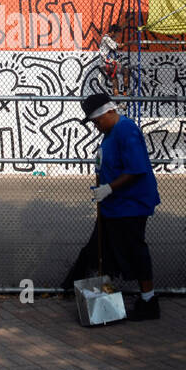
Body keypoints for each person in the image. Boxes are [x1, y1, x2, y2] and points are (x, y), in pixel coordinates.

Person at [60, 92, 162, 320]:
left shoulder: (126, 129)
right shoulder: (111, 132)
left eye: (97, 121)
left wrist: (109, 189)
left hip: (130, 204)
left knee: (134, 250)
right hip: (114, 206)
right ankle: (98, 297)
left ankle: (149, 301)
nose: (96, 127)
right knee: (99, 249)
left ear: (109, 112)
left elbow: (135, 169)